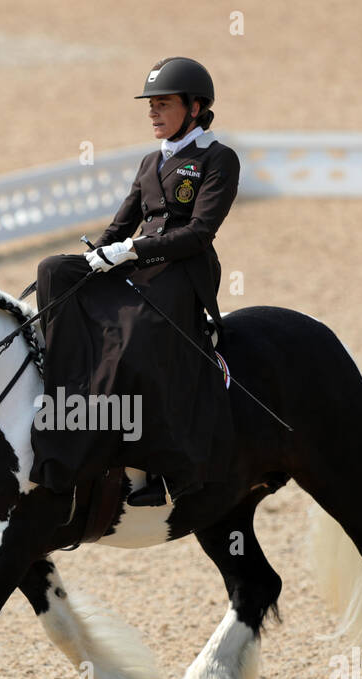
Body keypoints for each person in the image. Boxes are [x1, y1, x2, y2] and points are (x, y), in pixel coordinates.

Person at [29, 56, 239, 507]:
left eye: (163, 104)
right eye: (151, 106)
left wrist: (130, 251)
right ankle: (64, 385)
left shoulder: (218, 158)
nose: (153, 113)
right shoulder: (149, 162)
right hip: (137, 263)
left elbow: (200, 231)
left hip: (183, 269)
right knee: (52, 270)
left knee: (137, 332)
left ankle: (153, 467)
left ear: (196, 107)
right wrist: (92, 259)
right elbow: (119, 224)